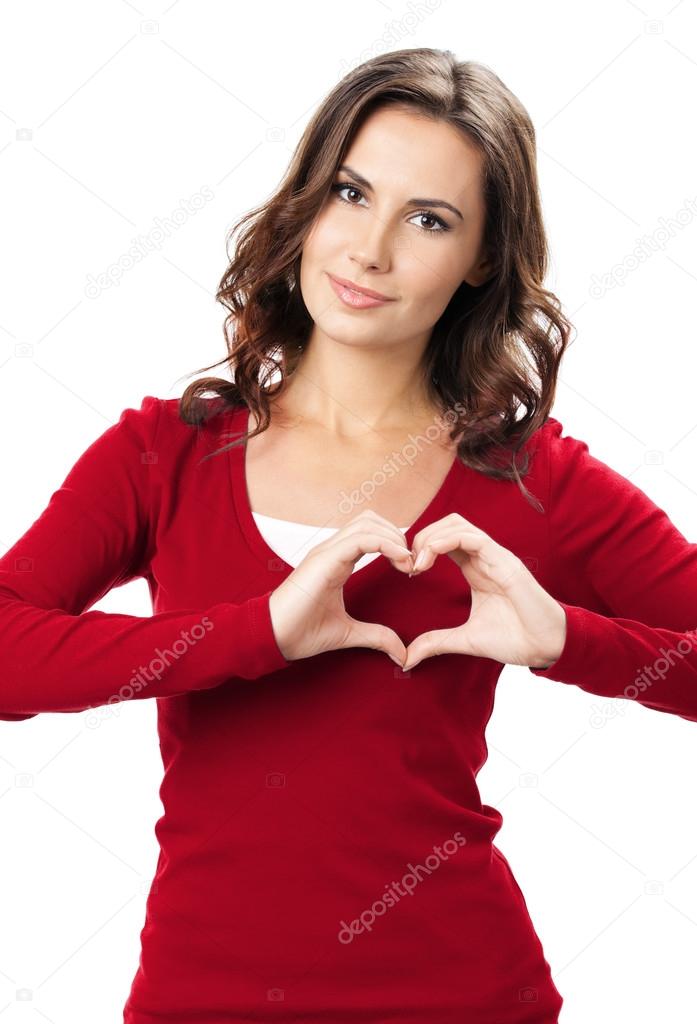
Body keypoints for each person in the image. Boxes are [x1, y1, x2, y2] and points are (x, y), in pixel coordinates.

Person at [2, 47, 696, 1024]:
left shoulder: (537, 480)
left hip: (465, 996)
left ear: (482, 260)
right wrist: (256, 634)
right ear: (307, 202)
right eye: (350, 192)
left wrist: (572, 643)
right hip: (204, 1001)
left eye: (428, 219)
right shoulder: (162, 455)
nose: (369, 250)